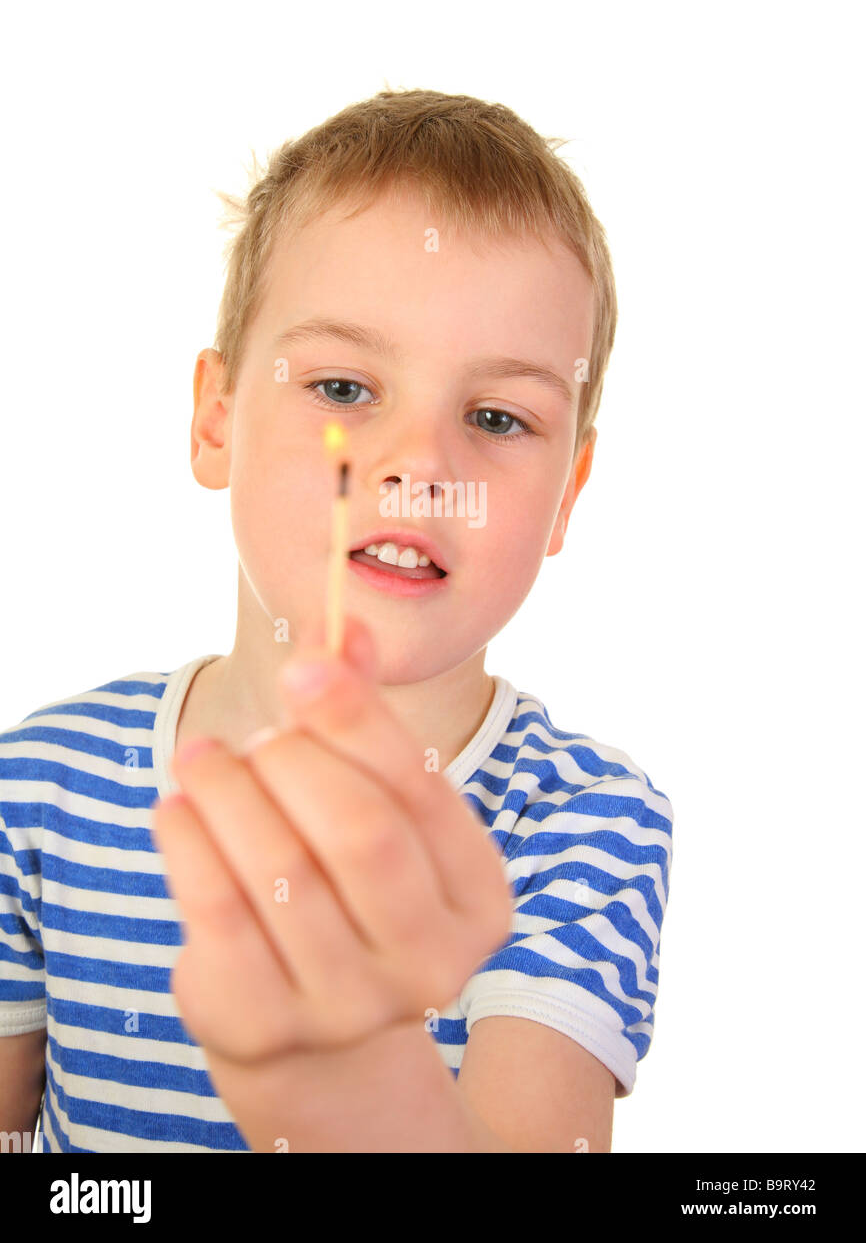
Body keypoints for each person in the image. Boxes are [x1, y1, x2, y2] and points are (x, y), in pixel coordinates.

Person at [0, 88, 673, 1153]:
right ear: (217, 416)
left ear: (568, 492)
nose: (418, 465)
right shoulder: (40, 789)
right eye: (346, 387)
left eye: (496, 417)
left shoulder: (581, 826)